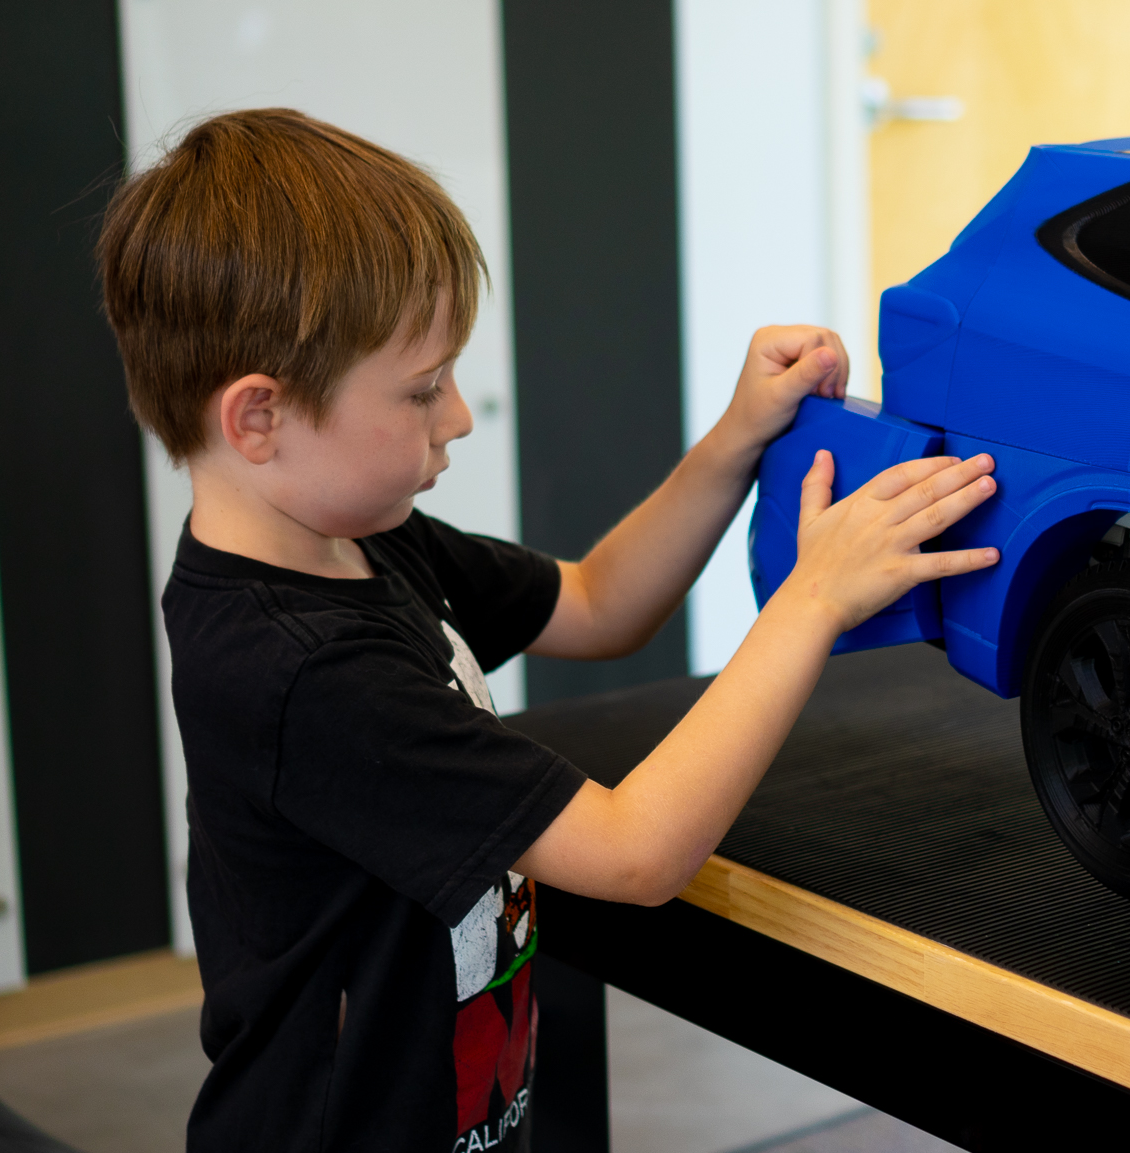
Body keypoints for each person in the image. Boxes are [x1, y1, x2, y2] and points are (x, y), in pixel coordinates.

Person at [99, 108, 996, 1152]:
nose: (458, 418)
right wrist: (814, 599)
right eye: (422, 391)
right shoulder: (302, 669)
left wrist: (736, 437)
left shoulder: (357, 540)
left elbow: (600, 600)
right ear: (258, 418)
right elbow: (636, 853)